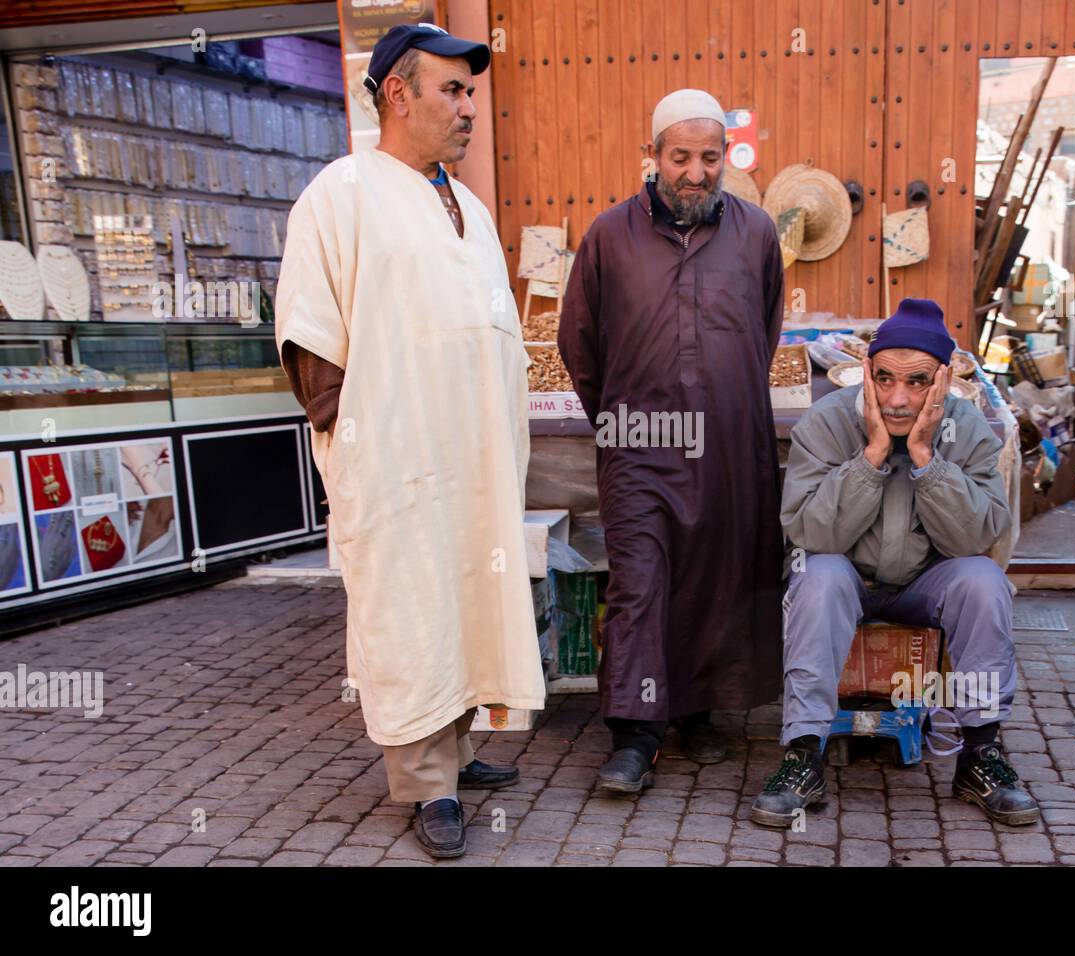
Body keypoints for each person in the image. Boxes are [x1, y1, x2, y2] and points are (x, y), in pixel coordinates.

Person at [274, 22, 545, 859]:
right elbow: (310, 334)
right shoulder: (342, 191)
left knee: (465, 598)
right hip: (396, 457)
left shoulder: (463, 201)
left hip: (471, 459)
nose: (470, 109)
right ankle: (425, 785)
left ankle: (458, 750)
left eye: (472, 92)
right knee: (412, 610)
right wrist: (354, 443)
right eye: (453, 91)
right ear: (398, 92)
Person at [558, 89, 785, 793]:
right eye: (680, 156)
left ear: (727, 160)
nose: (696, 171)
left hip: (727, 446)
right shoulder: (608, 236)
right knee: (640, 583)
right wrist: (622, 419)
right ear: (651, 156)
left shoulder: (756, 233)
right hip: (638, 445)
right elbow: (579, 341)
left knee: (715, 578)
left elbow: (765, 329)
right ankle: (634, 735)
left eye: (709, 157)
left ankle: (698, 714)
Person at [750, 298, 1040, 828]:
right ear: (867, 372)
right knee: (815, 577)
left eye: (918, 382)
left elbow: (976, 538)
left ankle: (980, 752)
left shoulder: (968, 427)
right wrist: (874, 455)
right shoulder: (829, 422)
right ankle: (802, 755)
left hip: (926, 581)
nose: (899, 399)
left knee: (983, 581)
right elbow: (812, 533)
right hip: (848, 578)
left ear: (945, 379)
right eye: (884, 380)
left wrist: (927, 459)